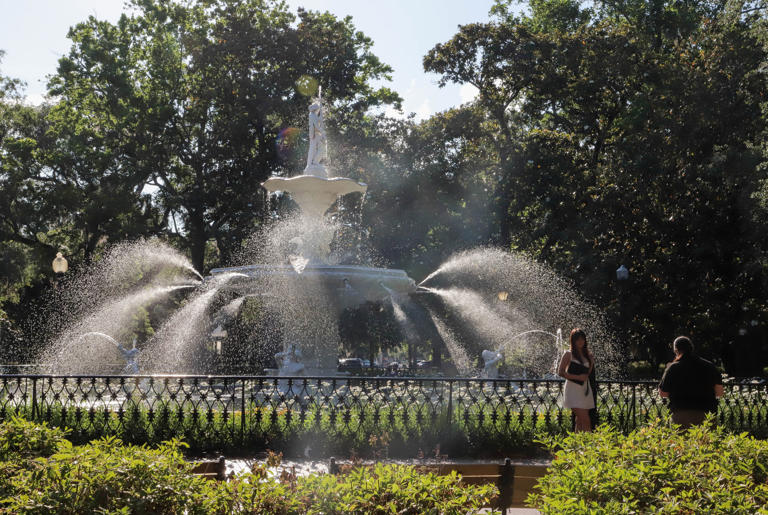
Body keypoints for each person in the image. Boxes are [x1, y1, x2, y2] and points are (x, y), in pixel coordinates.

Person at [659, 336, 723, 429]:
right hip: (706, 415)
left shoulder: (673, 368)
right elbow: (720, 392)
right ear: (692, 348)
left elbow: (663, 393)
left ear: (676, 350)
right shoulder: (709, 366)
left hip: (680, 416)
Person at [558, 328, 595, 432]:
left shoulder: (588, 355)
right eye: (577, 339)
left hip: (584, 389)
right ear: (573, 340)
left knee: (579, 420)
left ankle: (577, 441)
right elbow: (560, 372)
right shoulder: (568, 354)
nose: (580, 341)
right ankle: (590, 441)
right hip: (572, 389)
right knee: (586, 419)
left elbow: (587, 374)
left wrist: (591, 362)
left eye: (582, 339)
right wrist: (577, 377)